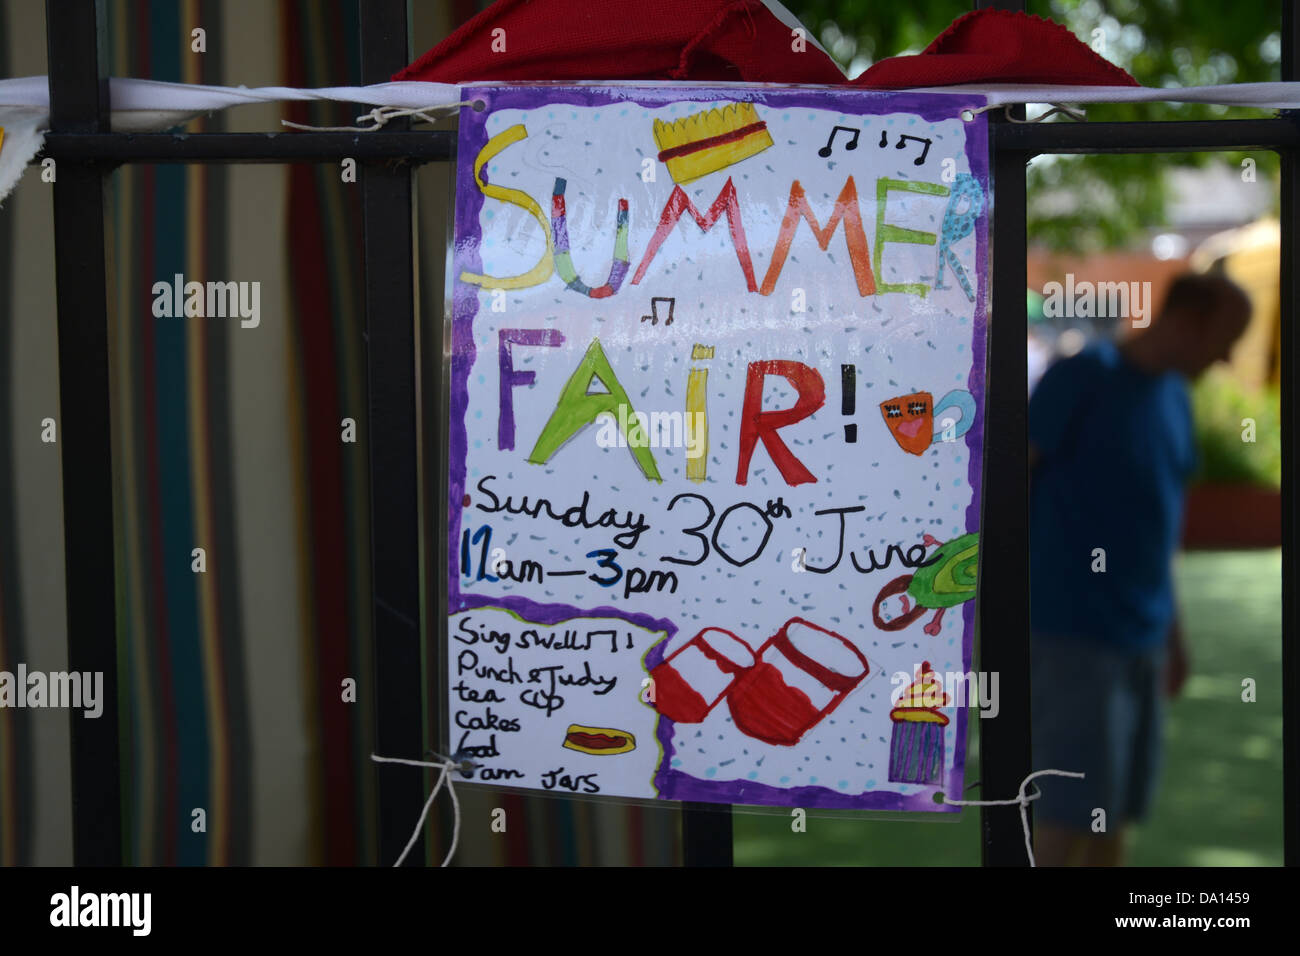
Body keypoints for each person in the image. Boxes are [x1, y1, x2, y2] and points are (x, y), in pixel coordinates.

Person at [1028, 272, 1251, 866]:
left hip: (1144, 640)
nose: (1227, 356)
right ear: (1183, 322)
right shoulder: (1083, 378)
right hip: (1071, 633)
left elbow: (1161, 524)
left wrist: (1172, 636)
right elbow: (1007, 483)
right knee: (1065, 815)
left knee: (1114, 813)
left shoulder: (1175, 396)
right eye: (1224, 337)